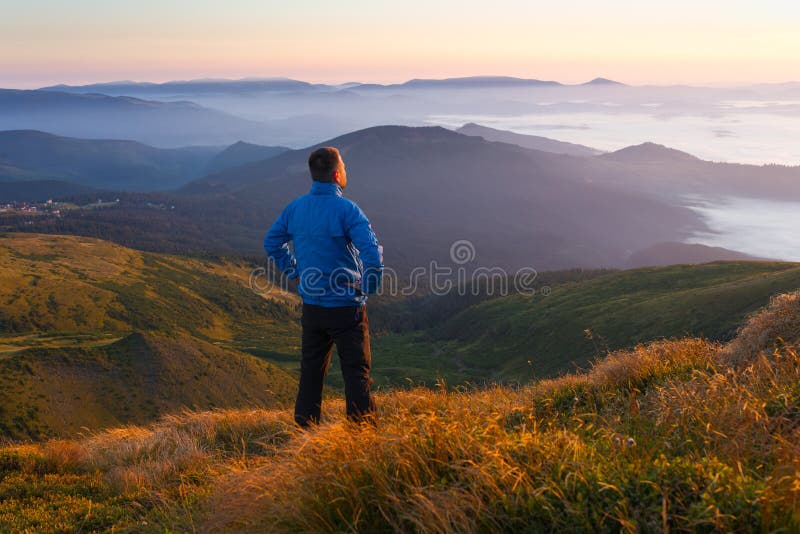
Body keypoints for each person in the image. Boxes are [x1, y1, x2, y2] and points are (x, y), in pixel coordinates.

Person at [264, 146, 383, 428]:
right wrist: (366, 287)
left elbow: (272, 243)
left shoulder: (295, 208)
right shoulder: (348, 210)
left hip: (313, 307)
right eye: (344, 167)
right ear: (336, 173)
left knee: (311, 374)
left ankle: (305, 439)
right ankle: (363, 439)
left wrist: (295, 271)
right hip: (347, 308)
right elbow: (372, 258)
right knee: (356, 374)